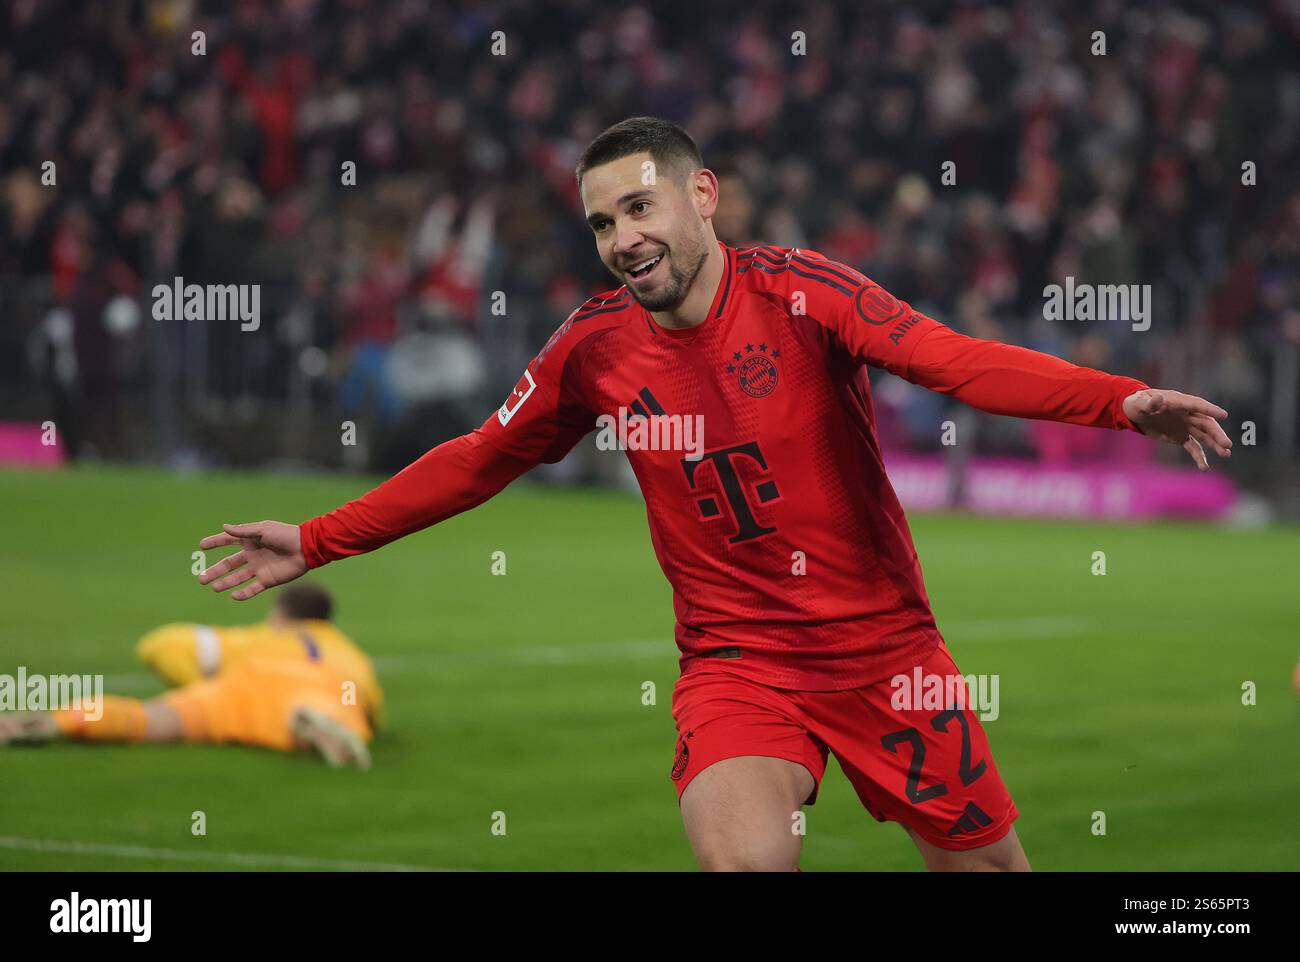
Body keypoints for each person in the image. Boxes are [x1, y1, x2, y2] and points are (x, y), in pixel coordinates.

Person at [195, 117, 1232, 870]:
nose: (620, 238)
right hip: (738, 664)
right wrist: (320, 538)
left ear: (703, 196)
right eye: (601, 222)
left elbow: (950, 360)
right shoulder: (593, 349)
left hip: (887, 655)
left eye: (638, 206)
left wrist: (1120, 399)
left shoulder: (806, 293)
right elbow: (479, 456)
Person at [0, 585, 381, 769]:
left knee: (145, 719)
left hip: (241, 686)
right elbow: (369, 701)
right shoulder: (349, 653)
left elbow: (162, 645)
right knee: (340, 710)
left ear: (280, 614)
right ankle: (313, 724)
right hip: (326, 687)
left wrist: (197, 683)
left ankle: (55, 721)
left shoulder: (255, 639)